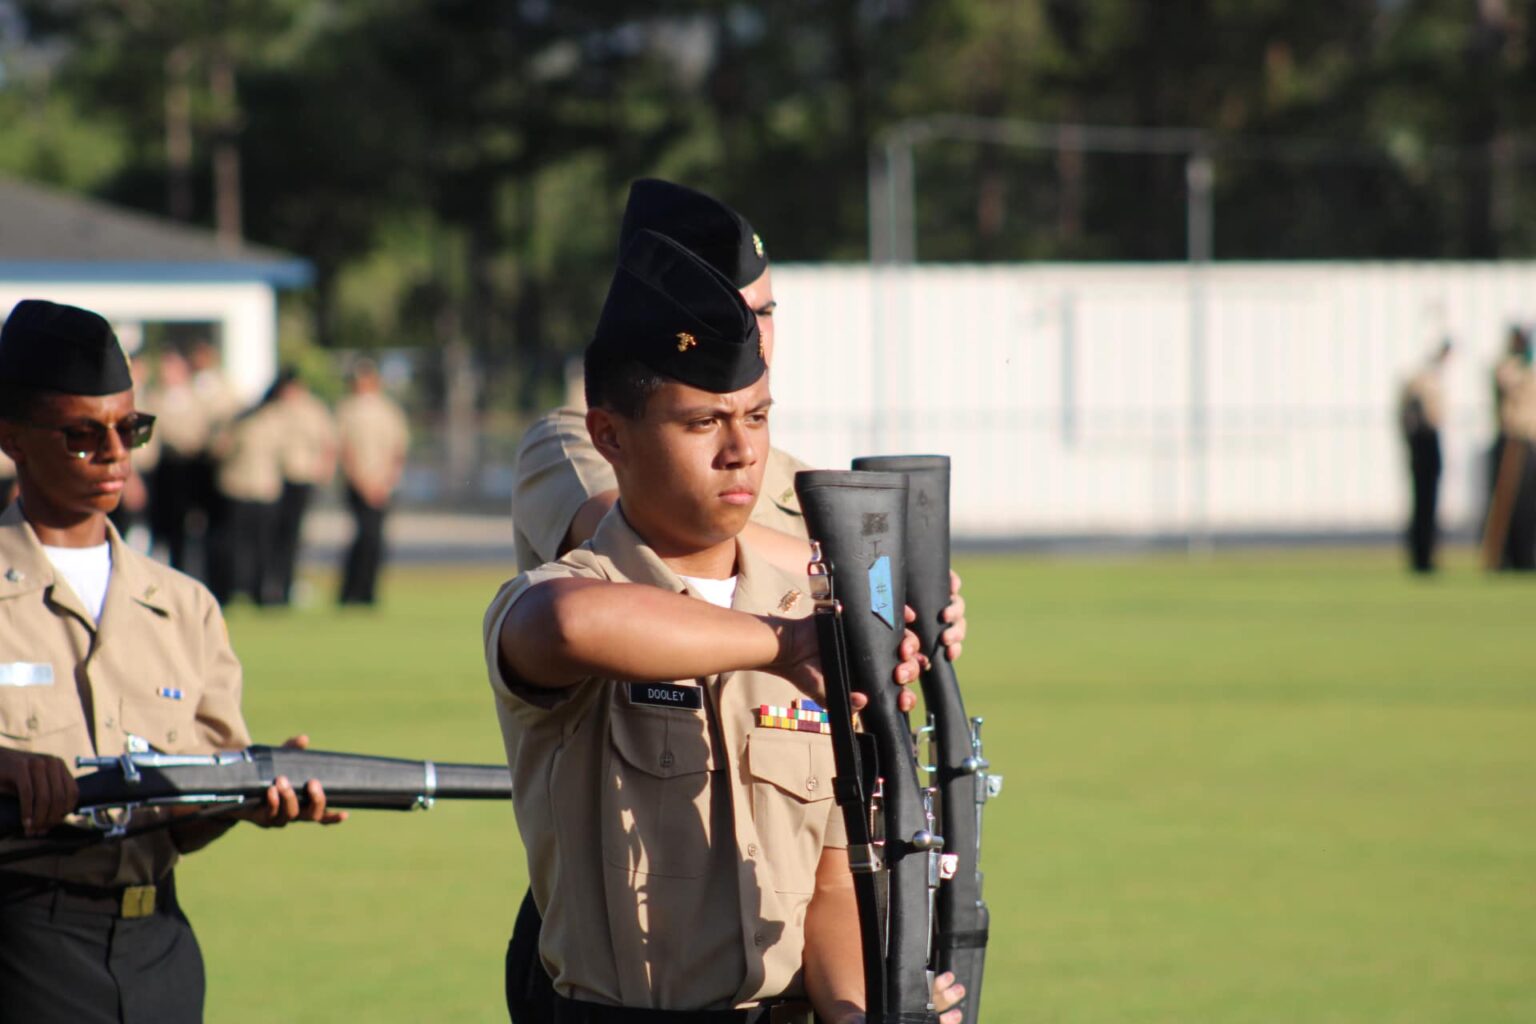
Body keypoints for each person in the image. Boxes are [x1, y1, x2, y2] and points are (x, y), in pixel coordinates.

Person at [506, 179, 969, 1022]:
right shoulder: (571, 573)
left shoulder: (797, 551)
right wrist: (808, 625)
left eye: (756, 417)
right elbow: (576, 612)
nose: (740, 453)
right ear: (612, 434)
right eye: (702, 424)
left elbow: (835, 876)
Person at [0, 299, 344, 1024]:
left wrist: (249, 796)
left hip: (158, 950)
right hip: (20, 946)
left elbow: (187, 811)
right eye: (83, 436)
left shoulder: (186, 607)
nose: (116, 454)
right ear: (13, 439)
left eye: (131, 429)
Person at [335, 359, 409, 606]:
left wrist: (386, 481)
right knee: (363, 536)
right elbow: (345, 449)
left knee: (377, 539)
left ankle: (369, 591)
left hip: (383, 485)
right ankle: (351, 591)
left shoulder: (388, 410)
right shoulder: (347, 409)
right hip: (359, 483)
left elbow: (398, 448)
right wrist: (363, 482)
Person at [208, 390, 287, 605]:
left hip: (265, 489)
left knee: (264, 545)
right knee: (233, 546)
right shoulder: (236, 423)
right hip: (238, 488)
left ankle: (261, 591)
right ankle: (230, 590)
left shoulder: (274, 422)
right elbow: (219, 451)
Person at [269, 370, 336, 606]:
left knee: (295, 535)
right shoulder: (275, 409)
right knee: (273, 535)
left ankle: (289, 585)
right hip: (275, 480)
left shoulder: (313, 410)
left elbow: (327, 442)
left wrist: (325, 470)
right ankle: (272, 586)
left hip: (303, 477)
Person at [1486, 326, 1536, 571]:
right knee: (1507, 501)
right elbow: (1506, 380)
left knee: (1528, 504)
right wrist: (1522, 363)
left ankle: (1526, 556)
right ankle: (1502, 557)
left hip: (1529, 440)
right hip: (1511, 440)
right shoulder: (1508, 367)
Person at [1399, 340, 1451, 573]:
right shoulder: (1421, 382)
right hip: (1423, 445)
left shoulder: (1430, 380)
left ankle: (1426, 555)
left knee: (1428, 505)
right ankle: (1421, 557)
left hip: (1429, 443)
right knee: (1423, 504)